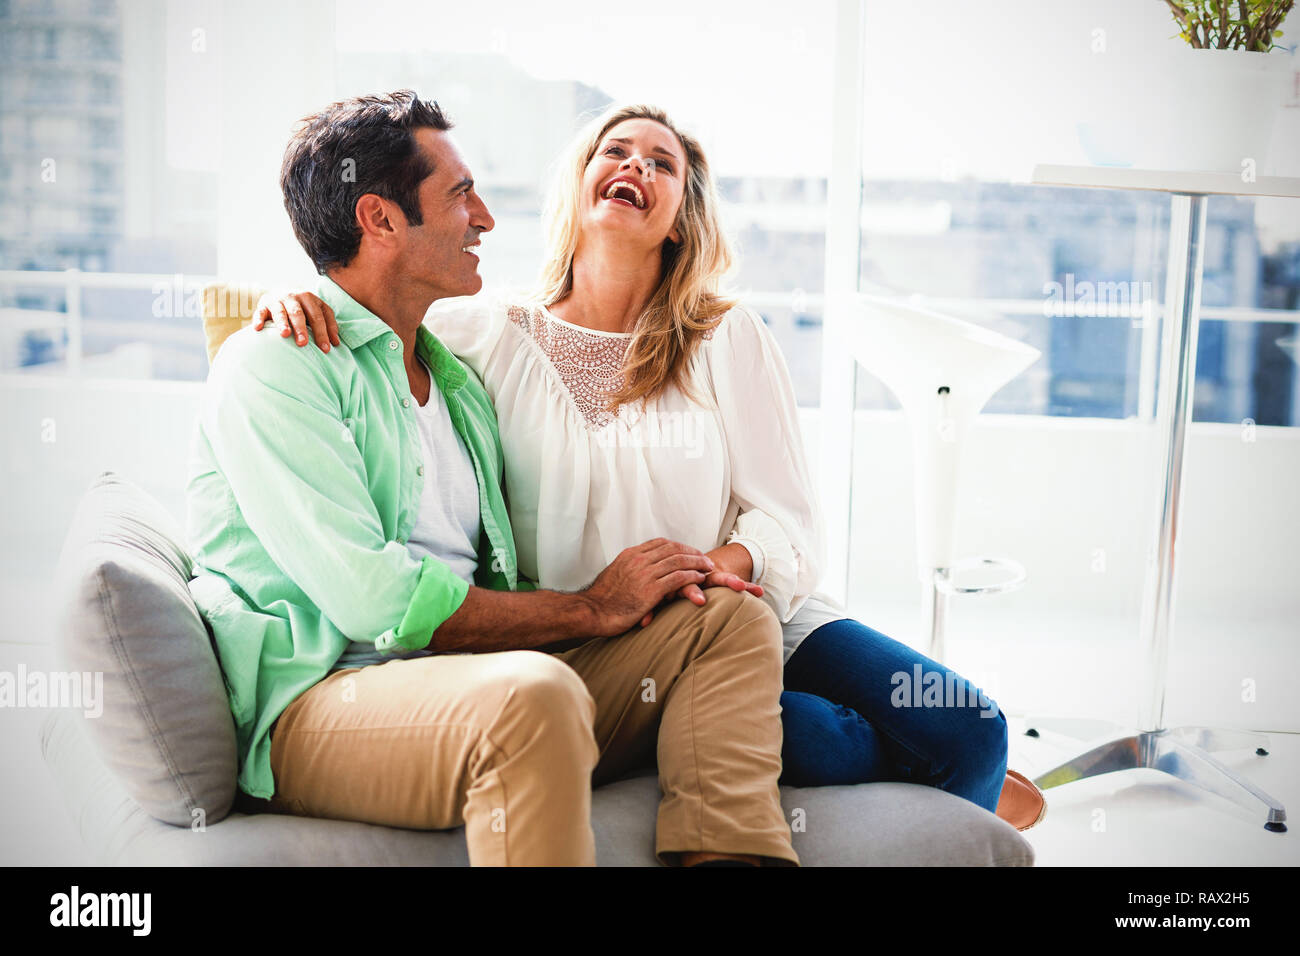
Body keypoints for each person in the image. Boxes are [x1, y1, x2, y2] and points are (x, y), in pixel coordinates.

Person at [257, 101, 1047, 830]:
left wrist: (705, 566)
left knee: (974, 729)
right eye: (617, 150)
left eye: (662, 165)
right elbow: (371, 293)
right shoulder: (482, 334)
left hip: (742, 609)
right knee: (813, 738)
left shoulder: (725, 339)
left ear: (679, 217)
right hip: (598, 642)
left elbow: (790, 523)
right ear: (582, 183)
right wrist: (291, 299)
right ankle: (915, 765)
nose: (636, 167)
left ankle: (952, 767)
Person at [187, 90, 801, 867]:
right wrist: (588, 607)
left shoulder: (455, 373)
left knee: (727, 618)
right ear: (379, 220)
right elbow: (374, 599)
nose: (485, 218)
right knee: (532, 698)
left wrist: (624, 605)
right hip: (322, 701)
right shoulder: (278, 361)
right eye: (459, 195)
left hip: (470, 681)